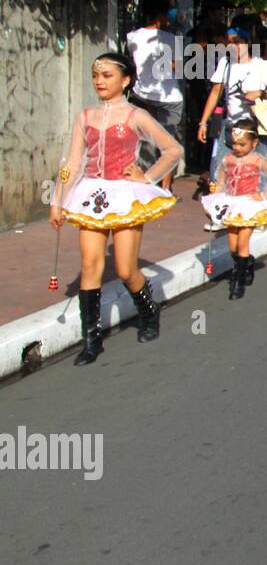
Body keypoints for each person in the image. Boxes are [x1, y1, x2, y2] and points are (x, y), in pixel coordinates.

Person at [49, 52, 182, 365]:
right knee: (90, 265)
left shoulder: (136, 115)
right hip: (92, 193)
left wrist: (146, 178)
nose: (99, 81)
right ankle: (92, 340)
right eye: (96, 75)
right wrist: (57, 199)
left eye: (107, 76)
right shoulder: (84, 116)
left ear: (125, 80)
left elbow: (172, 150)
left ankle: (149, 312)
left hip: (124, 195)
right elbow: (72, 162)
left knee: (124, 269)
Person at [201, 119, 267, 300]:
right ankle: (247, 262)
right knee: (232, 246)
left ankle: (238, 280)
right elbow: (221, 181)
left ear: (254, 143)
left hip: (249, 204)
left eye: (242, 144)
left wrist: (263, 196)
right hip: (232, 204)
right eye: (234, 143)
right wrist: (215, 198)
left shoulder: (258, 160)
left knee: (242, 243)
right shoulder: (228, 159)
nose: (237, 147)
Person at [197, 22, 267, 186]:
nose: (233, 46)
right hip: (231, 126)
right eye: (229, 42)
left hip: (256, 128)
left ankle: (255, 208)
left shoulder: (261, 66)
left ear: (247, 43)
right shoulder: (225, 64)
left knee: (256, 177)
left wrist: (260, 93)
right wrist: (203, 122)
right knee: (219, 174)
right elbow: (215, 92)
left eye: (237, 42)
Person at [125, 0, 182, 194]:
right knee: (168, 144)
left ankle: (139, 181)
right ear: (160, 16)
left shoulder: (131, 37)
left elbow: (132, 63)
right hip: (169, 98)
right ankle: (165, 188)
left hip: (142, 95)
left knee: (142, 139)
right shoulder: (171, 39)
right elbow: (179, 68)